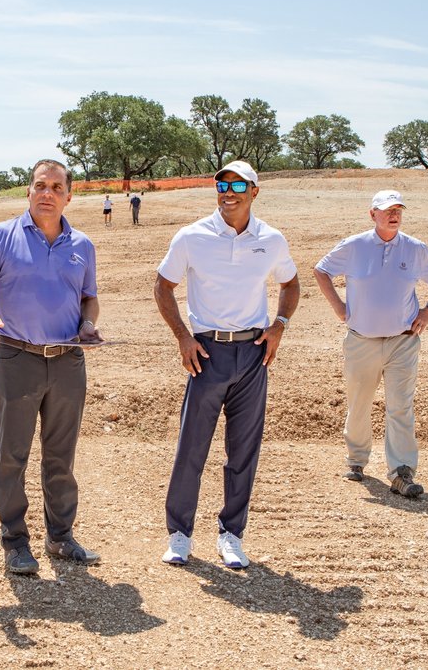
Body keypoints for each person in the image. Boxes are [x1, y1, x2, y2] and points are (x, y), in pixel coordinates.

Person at [0, 159, 104, 575]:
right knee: (12, 456)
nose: (48, 193)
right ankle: (15, 543)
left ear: (69, 196)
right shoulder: (0, 236)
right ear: (28, 191)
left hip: (67, 362)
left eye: (57, 187)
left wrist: (89, 324)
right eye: (41, 185)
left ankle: (60, 538)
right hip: (16, 358)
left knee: (61, 455)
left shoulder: (82, 245)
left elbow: (89, 298)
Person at [154, 160, 299, 569]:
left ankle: (231, 536)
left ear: (255, 191)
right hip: (207, 353)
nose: (228, 191)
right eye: (221, 184)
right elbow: (163, 286)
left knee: (243, 452)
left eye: (237, 184)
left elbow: (291, 283)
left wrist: (280, 326)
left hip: (253, 354)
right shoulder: (192, 236)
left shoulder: (271, 239)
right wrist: (183, 337)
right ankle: (179, 535)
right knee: (191, 448)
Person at [313, 190, 428, 498]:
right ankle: (357, 460)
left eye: (398, 210)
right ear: (372, 214)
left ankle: (402, 471)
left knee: (401, 406)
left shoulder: (415, 249)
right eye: (388, 210)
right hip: (362, 340)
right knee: (359, 402)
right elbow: (321, 271)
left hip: (403, 341)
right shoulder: (354, 246)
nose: (394, 215)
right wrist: (338, 306)